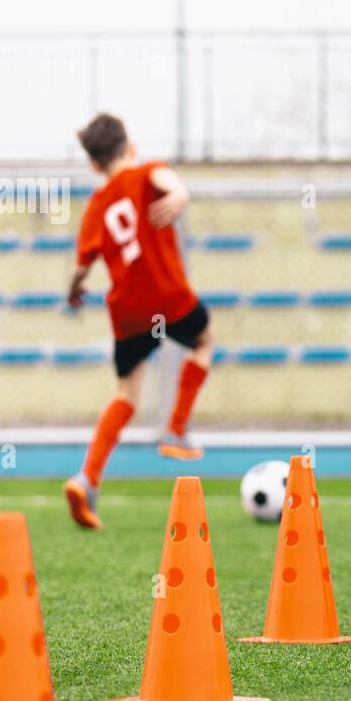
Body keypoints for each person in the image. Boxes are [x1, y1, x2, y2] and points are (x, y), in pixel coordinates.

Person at [62, 113, 213, 530]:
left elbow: (81, 266)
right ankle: (176, 432)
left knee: (126, 394)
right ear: (130, 146)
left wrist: (75, 288)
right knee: (204, 341)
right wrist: (180, 195)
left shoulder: (96, 206)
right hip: (169, 297)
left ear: (94, 165)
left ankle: (87, 478)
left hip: (128, 310)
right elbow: (170, 185)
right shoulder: (149, 172)